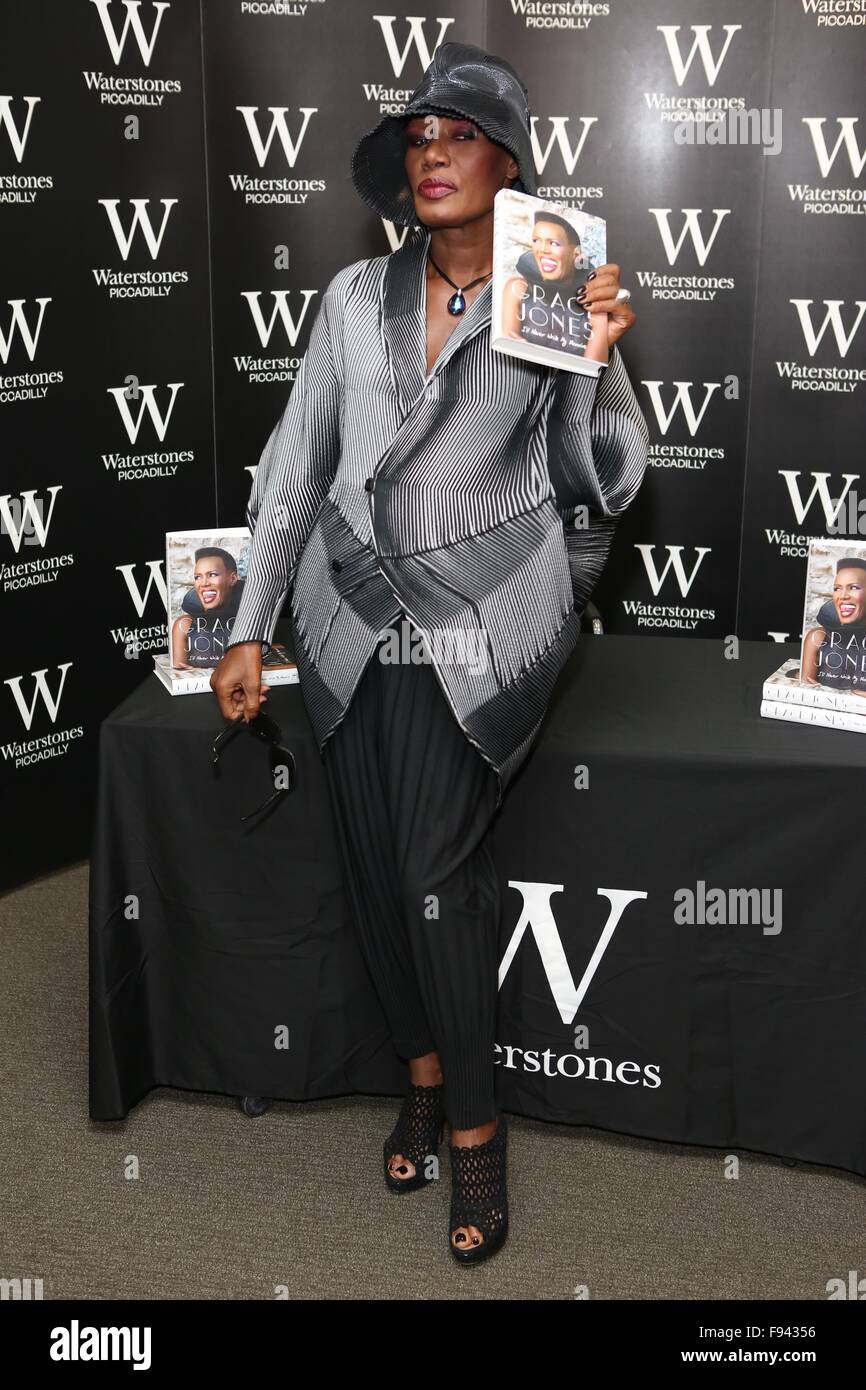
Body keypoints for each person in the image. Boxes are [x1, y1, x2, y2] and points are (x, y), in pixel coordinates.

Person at [210, 40, 649, 1264]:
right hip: (346, 623)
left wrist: (596, 365)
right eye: (417, 137)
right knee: (366, 873)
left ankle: (473, 1131)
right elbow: (297, 466)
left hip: (474, 630)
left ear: (510, 163)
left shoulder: (550, 292)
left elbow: (602, 481)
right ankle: (415, 1074)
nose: (433, 155)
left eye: (458, 135)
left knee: (428, 881)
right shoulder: (352, 301)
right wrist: (248, 621)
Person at [502, 210, 606, 362]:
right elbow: (507, 348)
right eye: (536, 240)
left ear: (576, 254)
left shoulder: (594, 306)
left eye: (554, 243)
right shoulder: (517, 289)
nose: (542, 250)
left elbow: (592, 370)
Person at [170, 547, 243, 670]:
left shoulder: (250, 620)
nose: (204, 583)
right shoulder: (184, 625)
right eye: (198, 577)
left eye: (212, 575)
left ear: (232, 578)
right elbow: (179, 675)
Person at [800, 557, 866, 693]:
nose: (843, 596)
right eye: (837, 588)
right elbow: (804, 692)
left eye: (853, 587)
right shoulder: (817, 638)